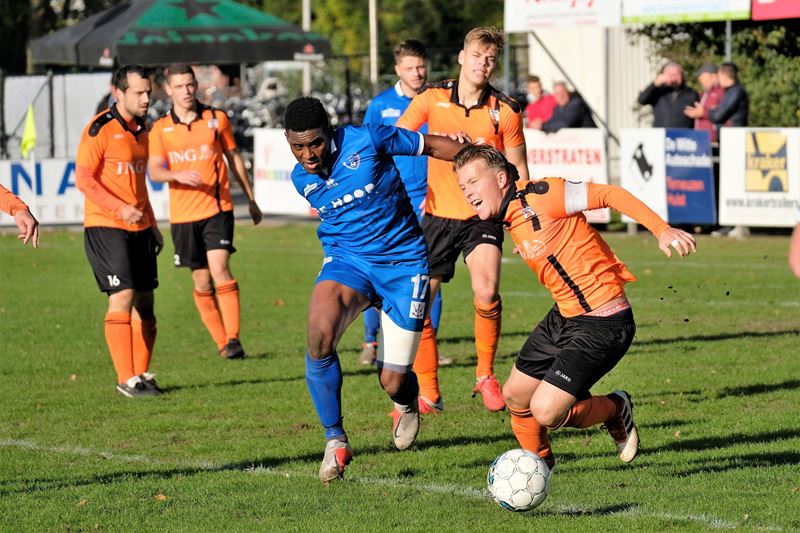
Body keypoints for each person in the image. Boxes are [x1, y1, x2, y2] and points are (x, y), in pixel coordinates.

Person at [454, 144, 696, 469]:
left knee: (546, 411)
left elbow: (610, 194)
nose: (467, 192)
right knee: (514, 395)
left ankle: (615, 408)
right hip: (565, 316)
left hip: (604, 323)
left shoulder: (544, 195)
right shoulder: (509, 216)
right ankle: (539, 467)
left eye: (472, 181)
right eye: (462, 186)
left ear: (500, 178)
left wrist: (661, 229)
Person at [283, 96, 465, 484]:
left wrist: (477, 156)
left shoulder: (368, 139)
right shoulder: (302, 179)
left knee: (392, 379)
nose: (308, 154)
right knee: (318, 337)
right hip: (348, 263)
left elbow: (430, 145)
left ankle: (406, 401)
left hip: (404, 266)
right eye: (297, 146)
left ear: (329, 133)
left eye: (314, 143)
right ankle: (335, 439)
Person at [398, 26, 529, 413]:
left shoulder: (505, 109)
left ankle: (485, 375)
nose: (483, 65)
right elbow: (397, 139)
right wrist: (439, 143)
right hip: (437, 215)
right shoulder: (432, 97)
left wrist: (522, 223)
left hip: (482, 217)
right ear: (461, 56)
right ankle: (428, 392)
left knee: (486, 291)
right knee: (418, 303)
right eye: (477, 56)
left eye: (490, 59)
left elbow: (520, 168)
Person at [149, 64, 262, 360]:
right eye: (180, 86)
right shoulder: (160, 128)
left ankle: (234, 339)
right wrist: (177, 176)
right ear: (168, 89)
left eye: (190, 84)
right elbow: (154, 170)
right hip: (184, 216)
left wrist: (250, 198)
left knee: (220, 268)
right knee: (201, 280)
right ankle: (222, 342)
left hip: (217, 208)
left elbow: (234, 157)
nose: (187, 91)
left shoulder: (216, 118)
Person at [359, 40, 449, 367]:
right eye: (409, 67)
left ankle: (429, 347)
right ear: (397, 69)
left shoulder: (438, 103)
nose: (417, 72)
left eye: (421, 66)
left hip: (433, 199)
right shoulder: (380, 105)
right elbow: (368, 151)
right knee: (380, 270)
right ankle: (371, 341)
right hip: (392, 202)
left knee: (428, 272)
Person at [76, 65, 163, 398]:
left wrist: (152, 224)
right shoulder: (99, 129)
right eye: (139, 93)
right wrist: (119, 208)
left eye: (148, 92)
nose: (145, 98)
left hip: (139, 227)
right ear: (119, 93)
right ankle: (126, 379)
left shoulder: (143, 130)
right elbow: (84, 179)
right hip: (106, 224)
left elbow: (139, 186)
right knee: (122, 295)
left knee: (147, 305)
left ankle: (140, 374)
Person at [637, 62, 698, 128]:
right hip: (661, 135)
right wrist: (654, 84)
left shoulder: (691, 93)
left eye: (676, 74)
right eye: (670, 75)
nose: (674, 78)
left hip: (683, 136)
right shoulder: (658, 91)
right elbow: (642, 100)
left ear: (682, 75)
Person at [683, 62, 724, 142]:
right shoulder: (704, 94)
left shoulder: (721, 92)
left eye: (702, 76)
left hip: (714, 140)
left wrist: (703, 113)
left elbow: (721, 112)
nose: (700, 79)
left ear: (713, 76)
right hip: (701, 139)